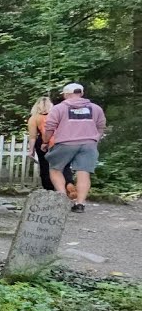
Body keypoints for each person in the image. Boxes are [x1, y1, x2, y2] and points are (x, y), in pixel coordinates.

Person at [44, 82, 107, 213]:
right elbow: (101, 126)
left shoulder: (59, 108)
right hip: (89, 144)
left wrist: (45, 141)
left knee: (55, 169)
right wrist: (95, 139)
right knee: (84, 173)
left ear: (66, 94)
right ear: (81, 93)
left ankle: (62, 200)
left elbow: (49, 127)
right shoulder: (96, 108)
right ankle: (80, 204)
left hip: (65, 143)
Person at [26, 97, 55, 191]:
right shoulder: (56, 115)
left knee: (44, 166)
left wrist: (31, 150)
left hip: (42, 142)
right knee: (59, 166)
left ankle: (48, 189)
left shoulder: (34, 118)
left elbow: (32, 136)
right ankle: (63, 187)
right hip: (58, 141)